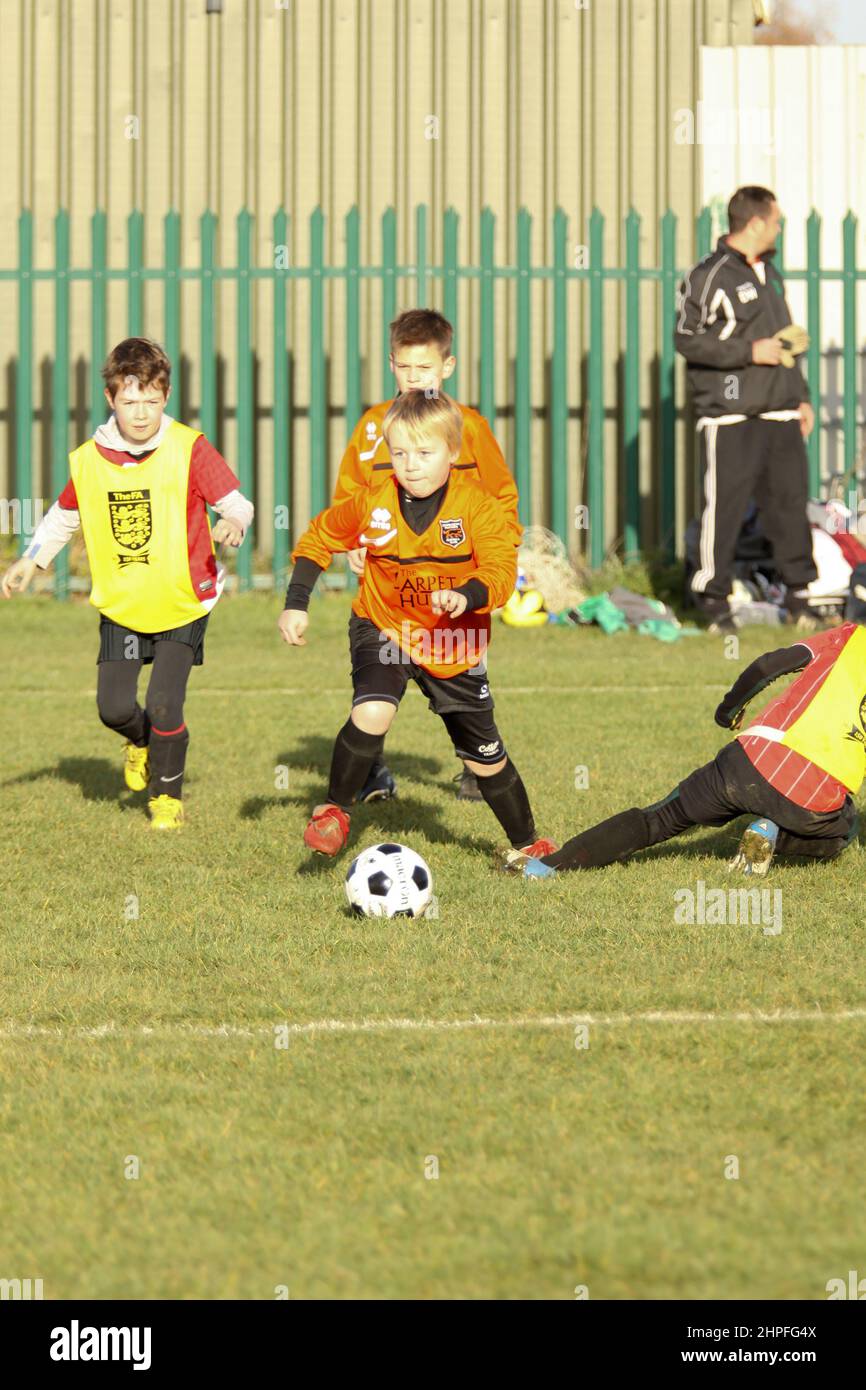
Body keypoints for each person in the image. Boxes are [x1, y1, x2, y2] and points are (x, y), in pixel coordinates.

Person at [278, 389, 554, 861]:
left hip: (454, 643)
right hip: (383, 626)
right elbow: (319, 536)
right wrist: (296, 601)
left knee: (484, 758)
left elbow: (500, 575)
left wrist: (465, 595)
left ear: (453, 451)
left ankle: (530, 844)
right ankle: (333, 813)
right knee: (373, 712)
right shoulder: (373, 502)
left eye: (424, 453)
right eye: (400, 453)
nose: (410, 464)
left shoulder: (477, 507)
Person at [1, 337, 253, 829]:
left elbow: (235, 501)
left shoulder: (189, 448)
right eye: (130, 401)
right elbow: (63, 517)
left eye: (152, 401)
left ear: (167, 396)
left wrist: (234, 523)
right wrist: (31, 561)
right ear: (112, 399)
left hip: (184, 600)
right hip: (122, 602)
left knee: (163, 702)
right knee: (114, 708)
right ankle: (139, 740)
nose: (141, 413)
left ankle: (167, 798)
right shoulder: (88, 459)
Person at [333, 307, 521, 802]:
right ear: (391, 363)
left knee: (465, 676)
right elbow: (350, 496)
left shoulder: (470, 426)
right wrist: (355, 542)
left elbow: (501, 497)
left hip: (456, 586)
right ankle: (370, 771)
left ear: (448, 367)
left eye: (426, 369)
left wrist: (499, 563)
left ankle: (475, 765)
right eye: (405, 367)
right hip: (390, 583)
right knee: (377, 679)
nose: (415, 379)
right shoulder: (373, 427)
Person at [502, 623, 863, 879]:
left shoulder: (850, 638)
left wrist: (728, 709)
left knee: (656, 819)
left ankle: (547, 868)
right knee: (842, 832)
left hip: (748, 762)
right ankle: (774, 834)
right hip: (810, 800)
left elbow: (768, 665)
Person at [675, 185, 818, 632]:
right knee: (726, 507)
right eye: (776, 221)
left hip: (780, 411)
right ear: (756, 222)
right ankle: (713, 599)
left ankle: (799, 597)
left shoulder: (770, 273)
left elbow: (785, 338)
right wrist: (748, 351)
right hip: (730, 413)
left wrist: (802, 397)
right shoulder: (708, 274)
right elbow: (687, 338)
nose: (779, 228)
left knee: (790, 506)